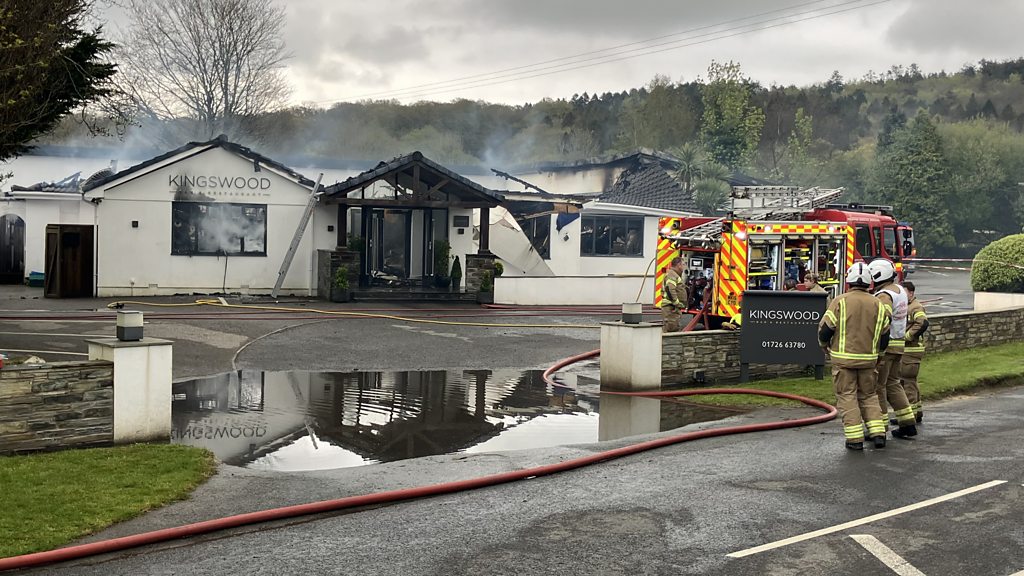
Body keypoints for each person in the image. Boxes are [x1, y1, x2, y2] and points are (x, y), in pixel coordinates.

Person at [818, 262, 891, 450]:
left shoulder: (840, 301)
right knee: (869, 395)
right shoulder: (878, 304)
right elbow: (885, 336)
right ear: (870, 283)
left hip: (844, 361)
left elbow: (826, 329)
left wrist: (824, 346)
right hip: (869, 360)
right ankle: (878, 434)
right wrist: (880, 355)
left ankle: (855, 439)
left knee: (847, 395)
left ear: (849, 280)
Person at [868, 259, 918, 439]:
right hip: (898, 345)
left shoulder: (884, 295)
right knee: (894, 384)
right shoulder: (899, 290)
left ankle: (879, 429)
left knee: (878, 387)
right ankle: (908, 423)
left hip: (886, 347)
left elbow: (883, 318)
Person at [901, 281, 929, 423]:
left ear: (911, 293)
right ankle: (917, 412)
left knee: (907, 383)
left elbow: (923, 322)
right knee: (911, 382)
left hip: (910, 350)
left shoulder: (915, 307)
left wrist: (907, 336)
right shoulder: (908, 306)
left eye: (904, 291)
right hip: (910, 350)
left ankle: (909, 416)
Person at [661, 257, 687, 332]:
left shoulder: (674, 274)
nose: (684, 266)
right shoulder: (672, 275)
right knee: (671, 328)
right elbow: (670, 289)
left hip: (672, 307)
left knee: (673, 326)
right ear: (679, 265)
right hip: (671, 307)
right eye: (683, 264)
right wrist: (676, 303)